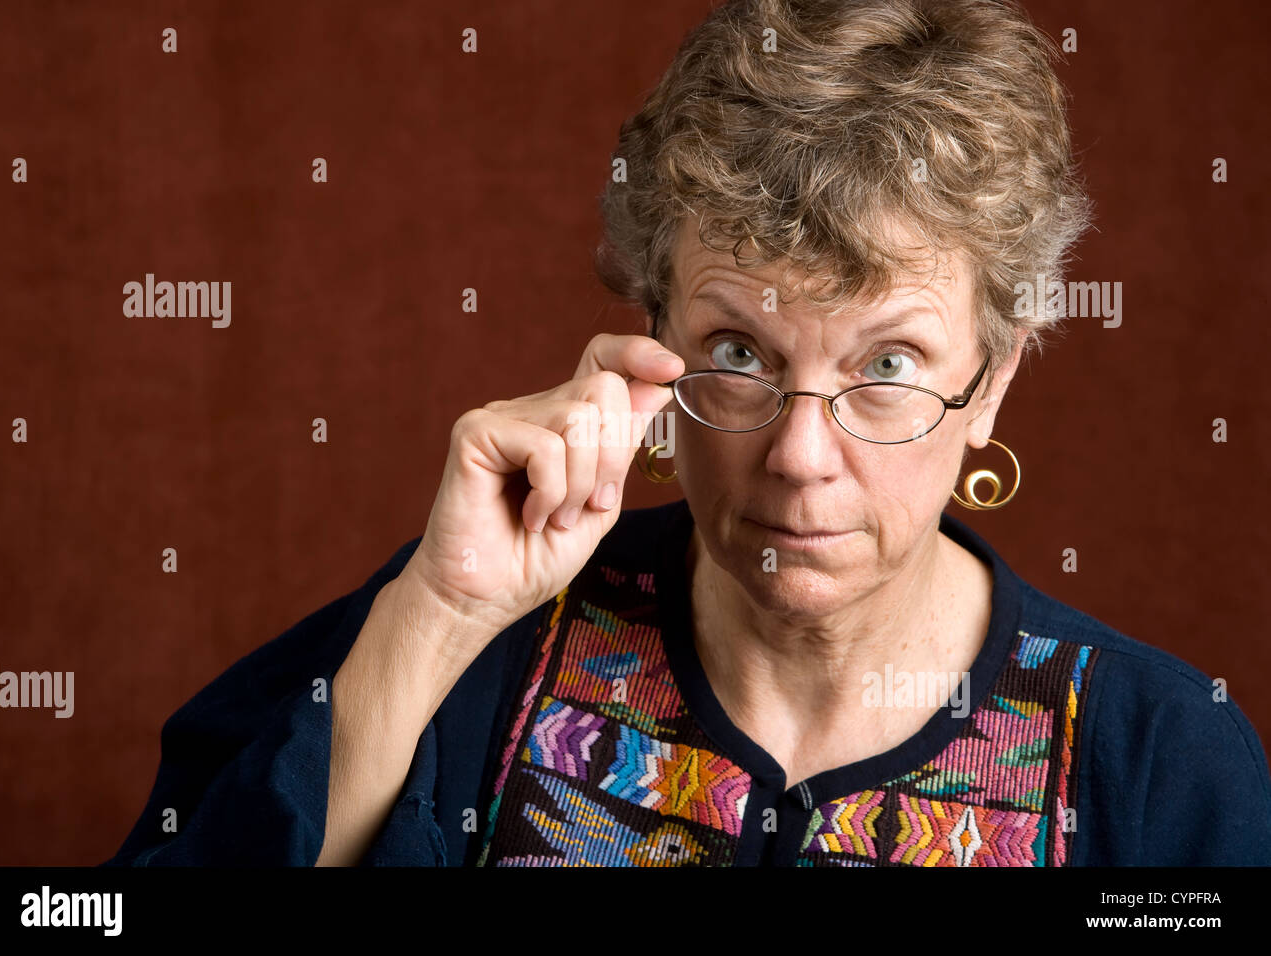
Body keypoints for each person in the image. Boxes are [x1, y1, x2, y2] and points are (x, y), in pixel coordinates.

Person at [105, 0, 1271, 867]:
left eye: (888, 365)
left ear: (996, 383)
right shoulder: (483, 649)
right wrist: (440, 613)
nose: (800, 456)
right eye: (737, 354)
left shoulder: (1159, 763)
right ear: (649, 340)